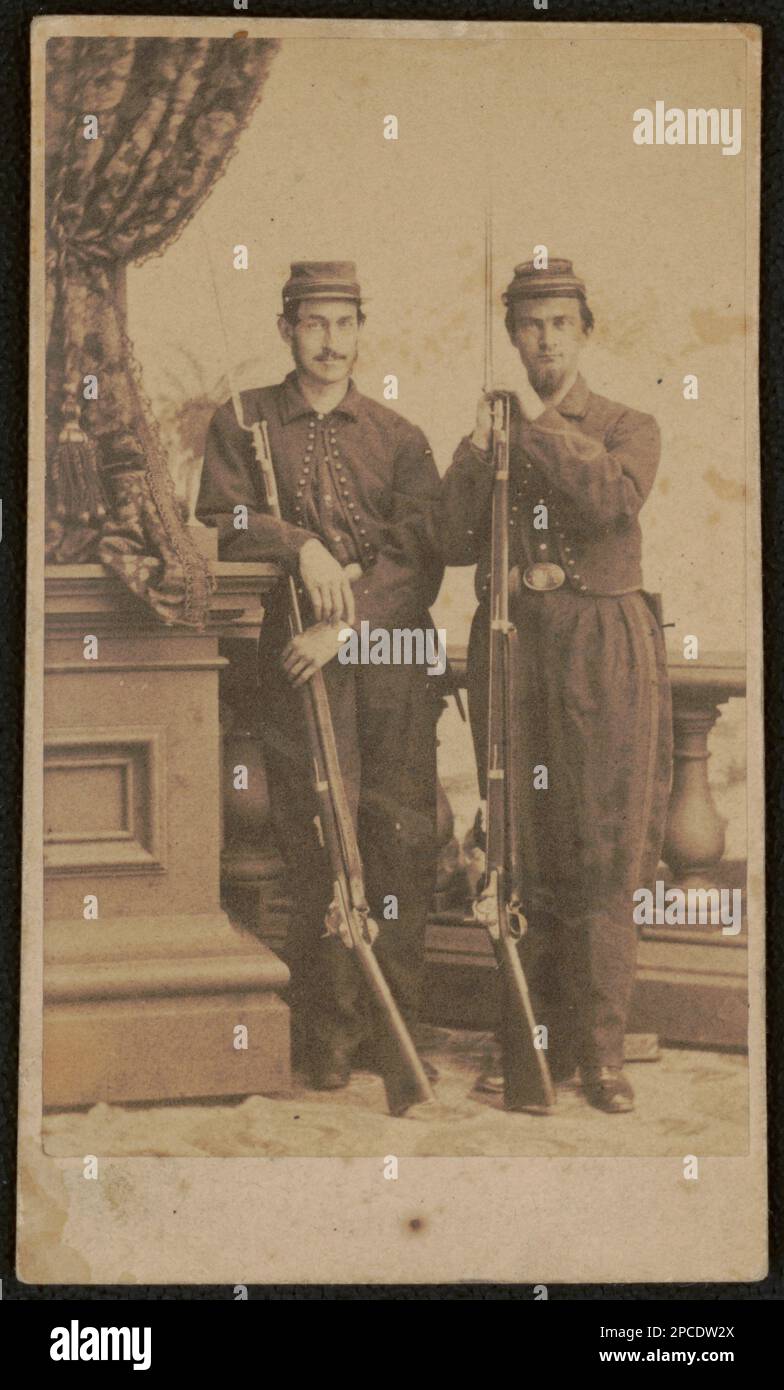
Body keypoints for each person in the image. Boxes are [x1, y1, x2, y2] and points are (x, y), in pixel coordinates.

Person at [197, 262, 443, 1090]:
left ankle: (395, 1029)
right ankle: (328, 1036)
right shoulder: (243, 422)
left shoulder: (401, 438)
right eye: (313, 324)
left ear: (362, 329)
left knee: (397, 837)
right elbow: (221, 519)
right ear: (286, 329)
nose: (330, 342)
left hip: (388, 662)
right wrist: (293, 542)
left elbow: (419, 554)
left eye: (345, 323)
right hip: (294, 660)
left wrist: (349, 623)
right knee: (316, 836)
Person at [440, 258, 672, 1113]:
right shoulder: (492, 435)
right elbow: (452, 538)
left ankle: (601, 1055)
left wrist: (527, 429)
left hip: (603, 647)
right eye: (530, 324)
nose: (545, 338)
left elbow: (610, 500)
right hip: (513, 648)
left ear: (585, 331)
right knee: (517, 842)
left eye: (560, 323)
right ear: (513, 335)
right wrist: (475, 452)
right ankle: (524, 1042)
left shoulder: (628, 424)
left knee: (602, 846)